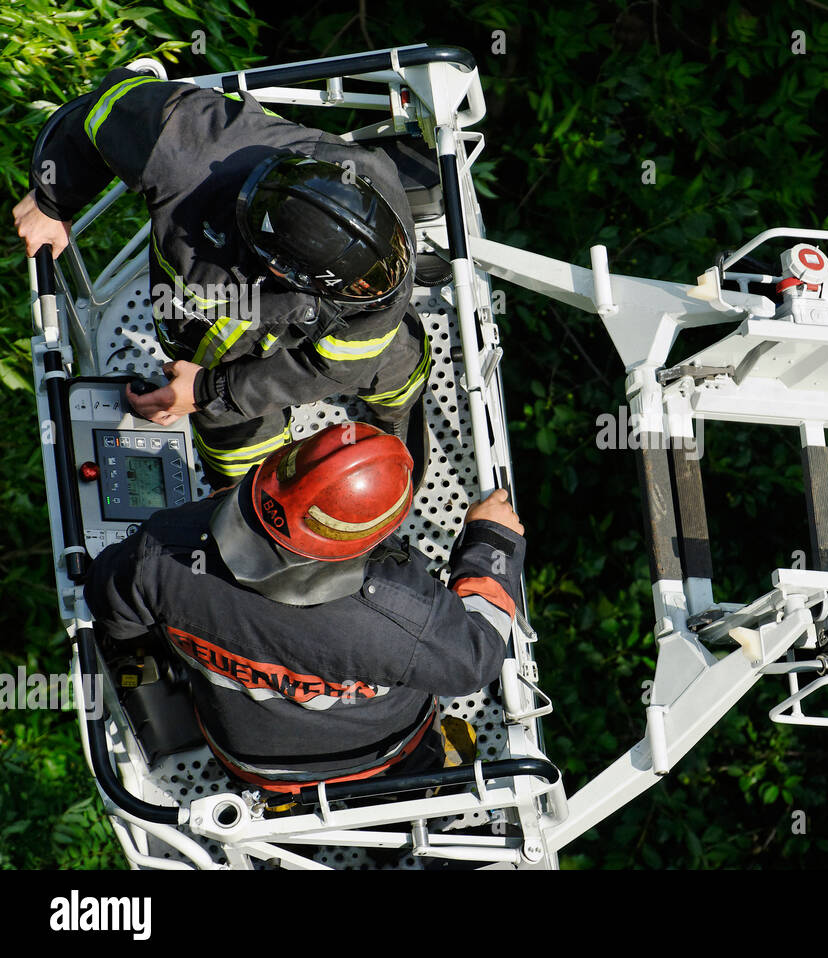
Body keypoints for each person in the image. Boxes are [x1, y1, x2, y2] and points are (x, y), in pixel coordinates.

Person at [13, 64, 434, 485]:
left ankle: (395, 414)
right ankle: (262, 490)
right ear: (279, 268)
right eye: (360, 287)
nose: (372, 290)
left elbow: (339, 365)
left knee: (390, 355)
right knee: (244, 458)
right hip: (210, 327)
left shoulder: (376, 225)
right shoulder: (188, 148)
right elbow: (108, 107)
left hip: (311, 312)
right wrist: (53, 200)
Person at [83, 421, 525, 790]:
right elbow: (475, 658)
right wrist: (492, 542)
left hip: (249, 768)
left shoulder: (166, 551)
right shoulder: (400, 617)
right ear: (372, 539)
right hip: (386, 765)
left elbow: (111, 609)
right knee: (420, 788)